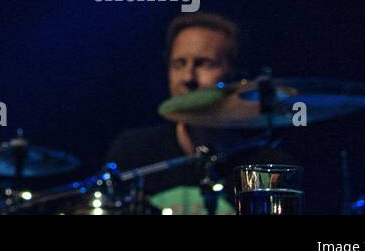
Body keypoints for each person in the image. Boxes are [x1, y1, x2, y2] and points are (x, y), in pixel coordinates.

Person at [103, 12, 290, 214]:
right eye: (179, 64)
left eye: (204, 63)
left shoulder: (267, 166)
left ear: (237, 75)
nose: (188, 77)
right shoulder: (133, 151)